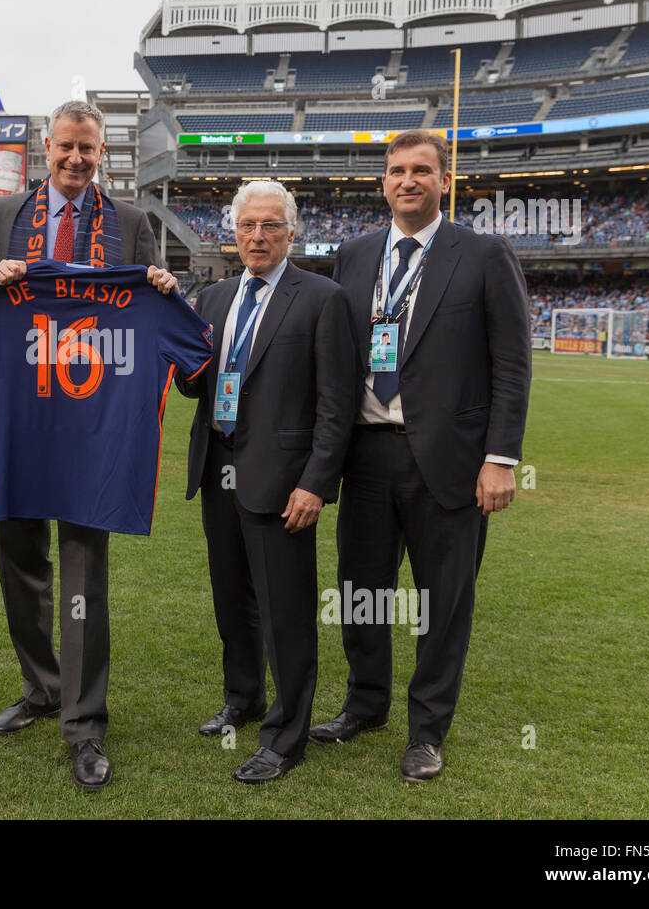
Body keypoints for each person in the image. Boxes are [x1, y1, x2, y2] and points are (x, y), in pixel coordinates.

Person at [0, 99, 178, 792]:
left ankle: (85, 725)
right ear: (46, 148)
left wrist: (165, 287)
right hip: (21, 426)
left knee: (85, 576)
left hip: (96, 430)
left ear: (102, 155)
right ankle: (42, 685)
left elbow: (153, 313)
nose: (77, 159)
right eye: (66, 147)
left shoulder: (131, 224)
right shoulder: (2, 219)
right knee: (20, 560)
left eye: (88, 150)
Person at [312, 130, 531, 782]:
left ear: (443, 180)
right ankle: (365, 704)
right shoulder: (352, 255)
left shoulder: (484, 253)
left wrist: (502, 457)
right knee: (362, 593)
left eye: (420, 171)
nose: (407, 180)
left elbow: (512, 363)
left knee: (443, 603)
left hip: (453, 462)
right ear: (383, 181)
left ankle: (427, 731)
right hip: (368, 455)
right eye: (396, 171)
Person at [178, 180, 358, 783]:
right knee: (233, 599)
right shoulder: (214, 297)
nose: (258, 236)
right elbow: (193, 385)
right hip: (218, 468)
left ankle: (286, 734)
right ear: (233, 232)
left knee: (285, 610)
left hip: (283, 480)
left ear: (291, 231)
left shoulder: (322, 298)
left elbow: (337, 405)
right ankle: (244, 697)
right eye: (248, 225)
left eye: (271, 226)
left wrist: (315, 482)